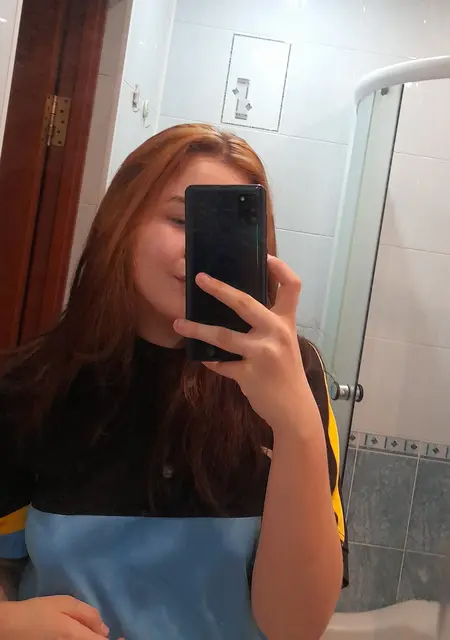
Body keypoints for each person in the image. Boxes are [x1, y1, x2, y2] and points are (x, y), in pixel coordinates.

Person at [0, 124, 348, 640]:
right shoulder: (35, 382)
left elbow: (295, 628)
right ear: (122, 222)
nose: (199, 251)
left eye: (225, 232)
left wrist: (295, 423)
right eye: (183, 220)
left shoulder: (294, 376)